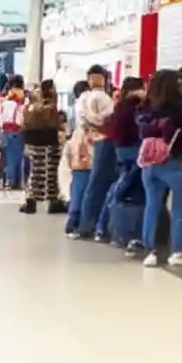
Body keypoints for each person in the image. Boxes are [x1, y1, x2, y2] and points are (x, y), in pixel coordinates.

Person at [138, 70, 182, 268]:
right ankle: (177, 252)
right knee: (179, 209)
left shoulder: (145, 109)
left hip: (149, 163)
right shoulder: (180, 112)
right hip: (174, 163)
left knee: (152, 206)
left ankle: (150, 251)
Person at [104, 77, 146, 249]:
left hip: (121, 149)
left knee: (120, 186)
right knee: (124, 189)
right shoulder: (134, 108)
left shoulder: (120, 107)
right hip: (131, 150)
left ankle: (104, 226)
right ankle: (111, 226)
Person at [75, 66, 116, 240]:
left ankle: (84, 223)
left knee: (88, 184)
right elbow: (103, 118)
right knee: (98, 184)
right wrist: (101, 124)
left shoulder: (84, 98)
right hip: (102, 142)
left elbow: (85, 119)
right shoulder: (100, 97)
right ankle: (91, 225)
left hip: (88, 141)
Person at [21, 80, 63, 214]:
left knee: (36, 172)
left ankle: (31, 201)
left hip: (32, 141)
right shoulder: (50, 106)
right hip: (49, 141)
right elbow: (54, 123)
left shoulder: (32, 105)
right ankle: (52, 201)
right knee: (50, 173)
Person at [0, 76, 27, 191]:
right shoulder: (22, 99)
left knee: (8, 157)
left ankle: (9, 181)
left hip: (4, 131)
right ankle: (14, 181)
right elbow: (23, 114)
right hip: (17, 130)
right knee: (16, 157)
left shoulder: (1, 100)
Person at [63, 117, 94, 233]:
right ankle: (78, 224)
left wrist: (71, 164)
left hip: (78, 168)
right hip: (87, 168)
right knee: (83, 196)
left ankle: (74, 223)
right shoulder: (93, 133)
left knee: (77, 195)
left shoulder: (77, 133)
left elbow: (68, 150)